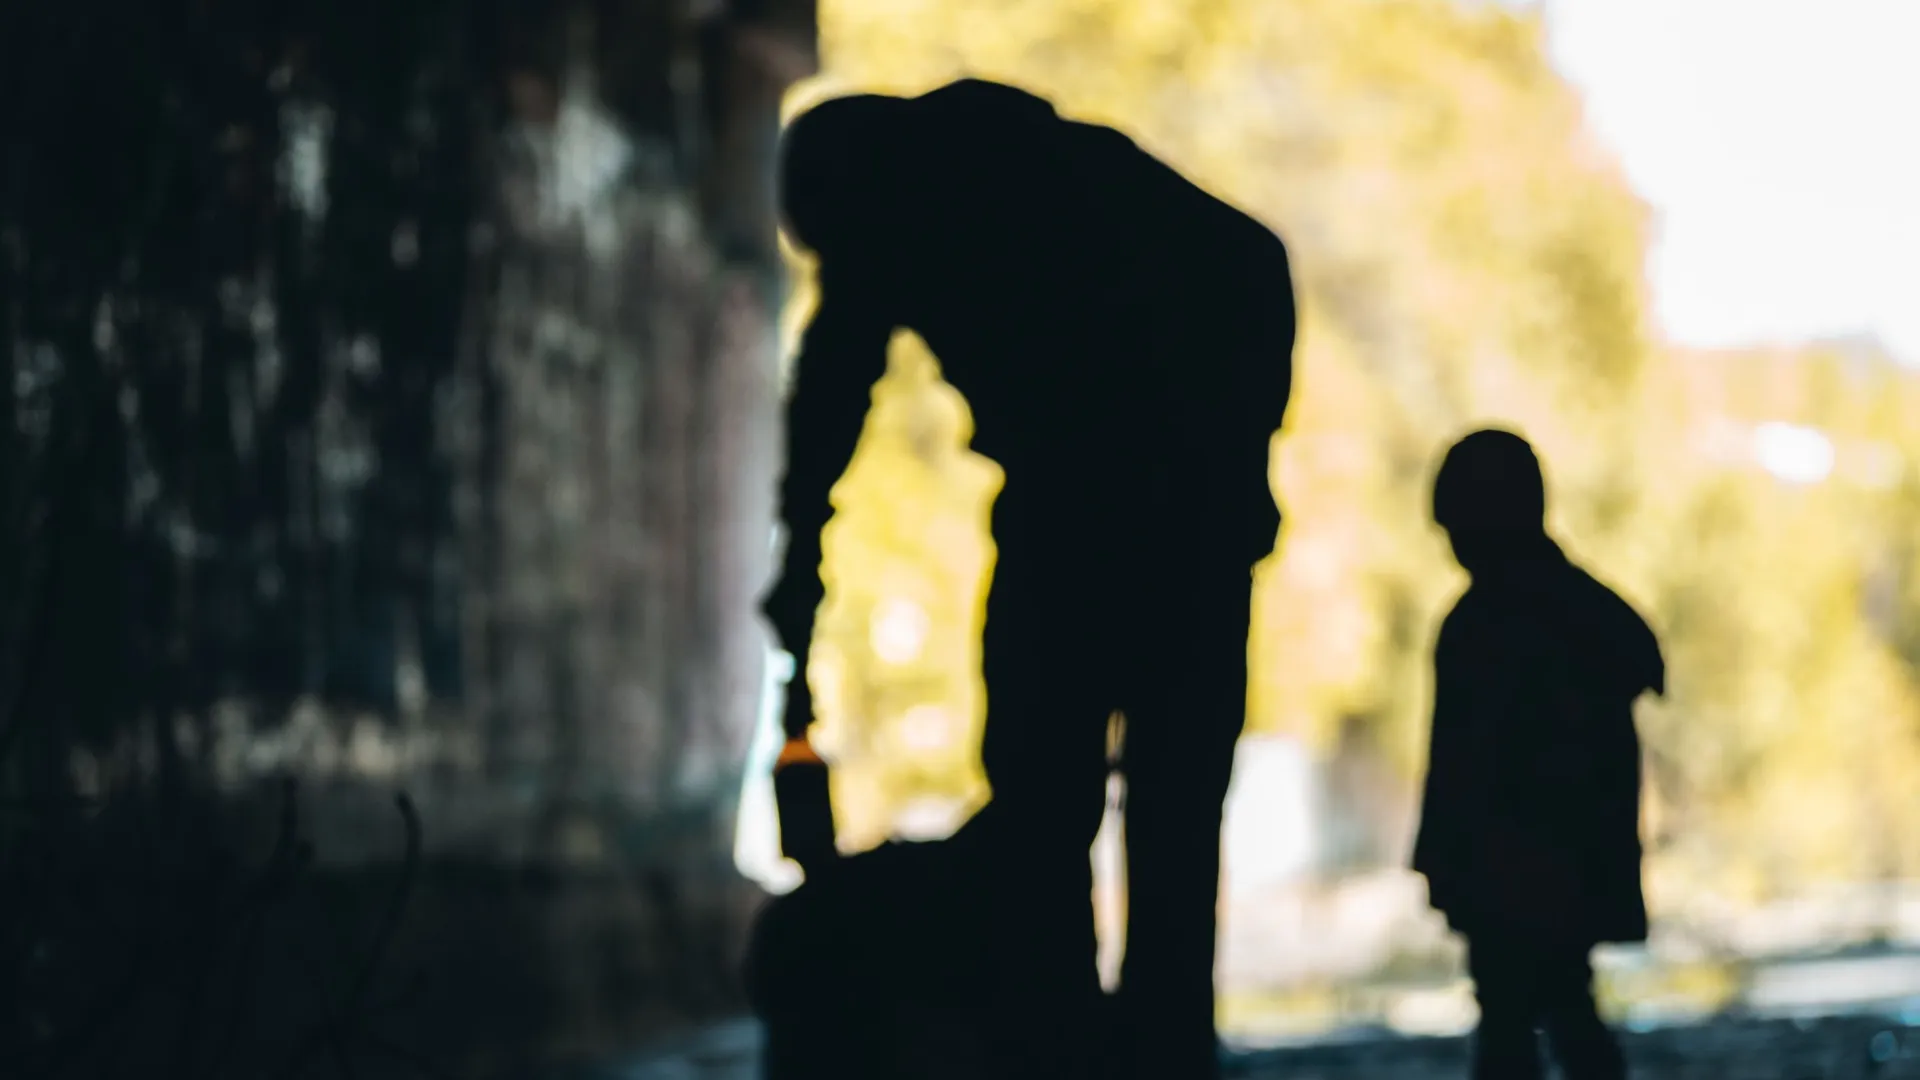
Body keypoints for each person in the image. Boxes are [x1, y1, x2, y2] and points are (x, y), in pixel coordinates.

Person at [757, 78, 1295, 1078]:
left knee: (1065, 800)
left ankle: (1085, 1042)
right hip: (1163, 526)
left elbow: (832, 384)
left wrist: (801, 560)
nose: (847, 281)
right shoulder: (1003, 177)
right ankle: (1133, 1046)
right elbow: (1257, 269)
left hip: (1120, 516)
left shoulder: (931, 193)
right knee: (1149, 804)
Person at [1411, 429, 1664, 1080]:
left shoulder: (1480, 626)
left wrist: (1445, 860)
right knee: (1558, 1010)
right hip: (1557, 868)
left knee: (1515, 1023)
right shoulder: (1585, 613)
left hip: (1514, 867)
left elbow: (1460, 764)